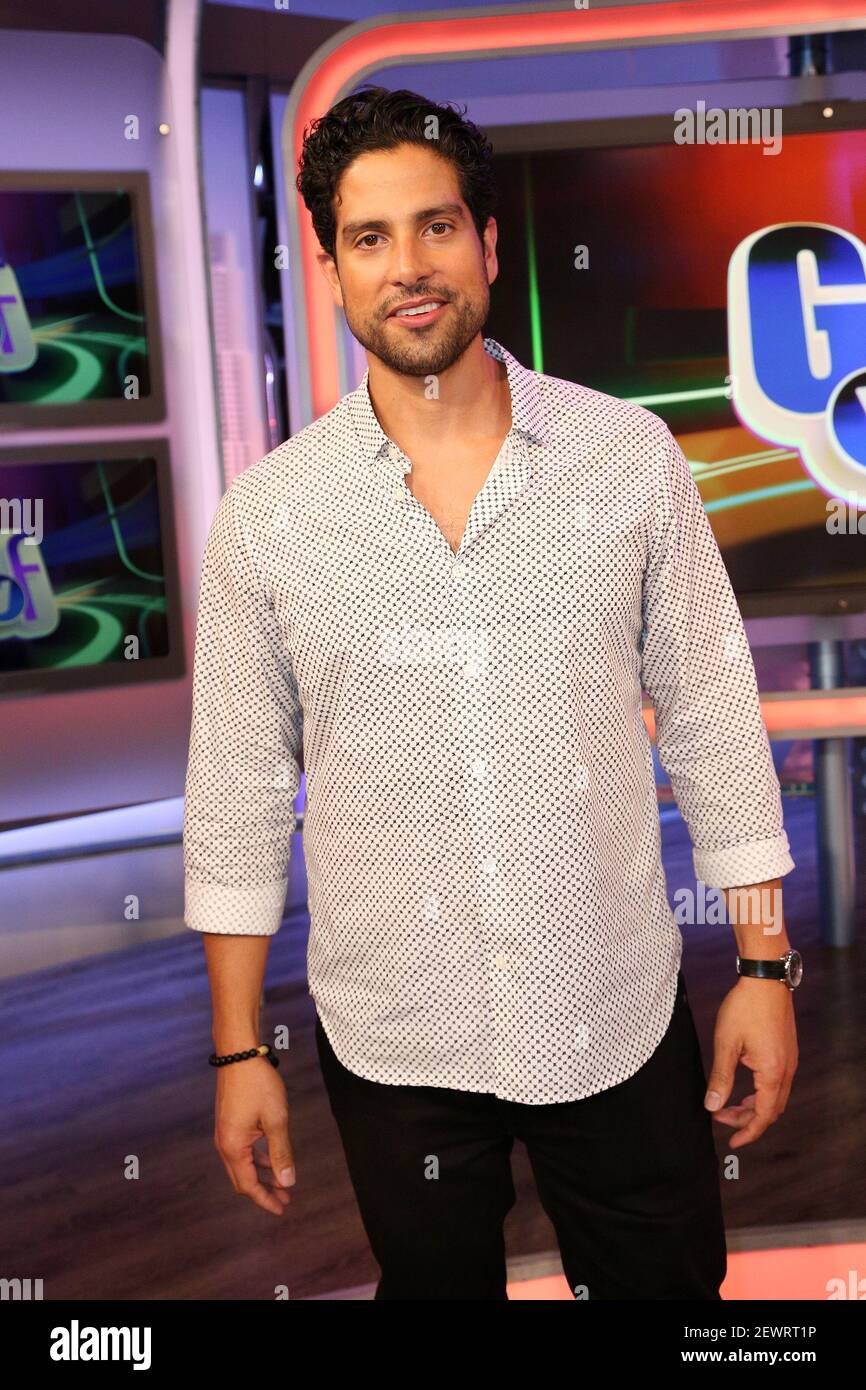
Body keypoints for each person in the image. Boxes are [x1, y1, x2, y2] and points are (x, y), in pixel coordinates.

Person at [182, 86, 800, 1300]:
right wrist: (236, 1047)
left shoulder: (627, 457)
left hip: (610, 1002)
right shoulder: (267, 519)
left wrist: (764, 971)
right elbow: (238, 796)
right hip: (392, 1030)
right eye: (370, 238)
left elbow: (714, 719)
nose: (407, 267)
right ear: (332, 265)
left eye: (435, 227)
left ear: (487, 243)